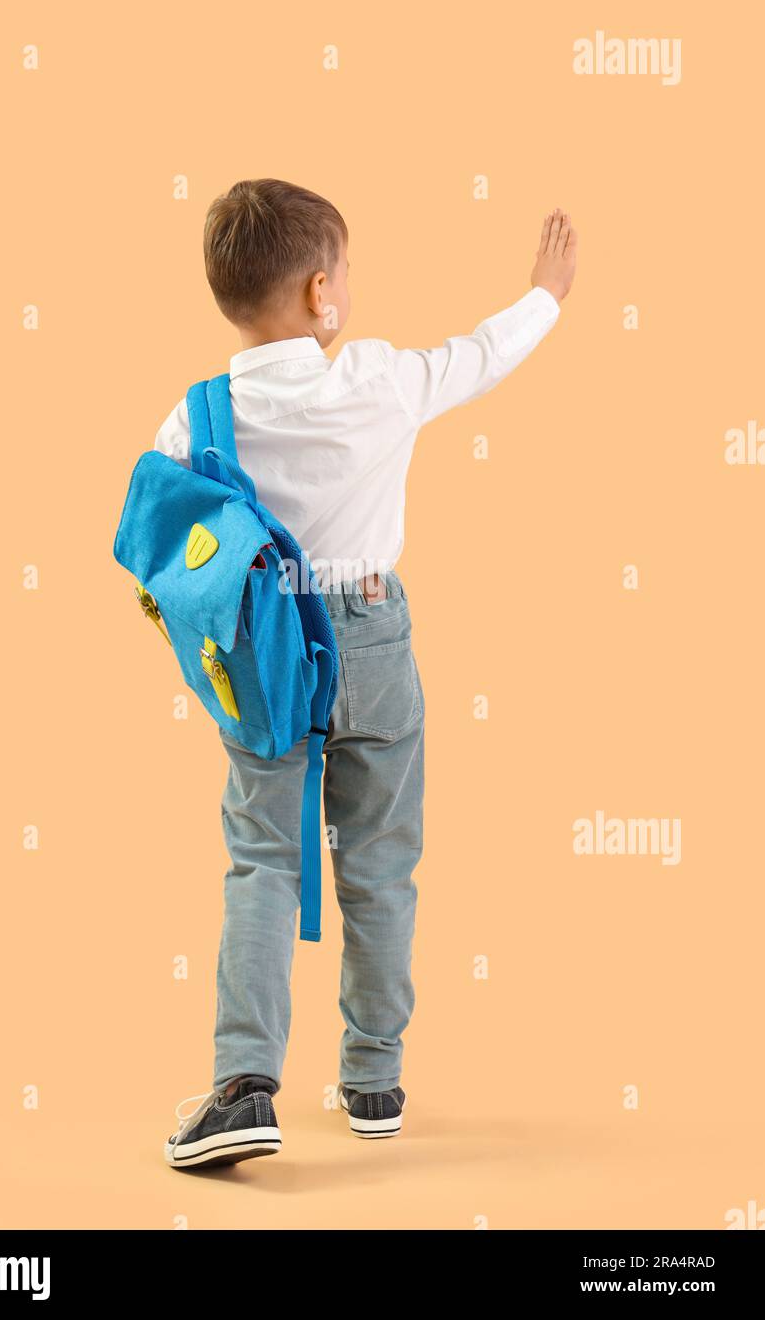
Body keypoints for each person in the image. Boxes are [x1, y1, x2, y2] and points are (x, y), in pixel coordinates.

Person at [156, 179, 577, 1167]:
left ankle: (242, 1084)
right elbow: (478, 357)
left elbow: (166, 541)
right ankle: (373, 1075)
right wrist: (545, 294)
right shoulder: (381, 379)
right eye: (342, 269)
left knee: (263, 857)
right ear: (318, 293)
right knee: (381, 863)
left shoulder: (199, 414)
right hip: (374, 633)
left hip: (263, 652)